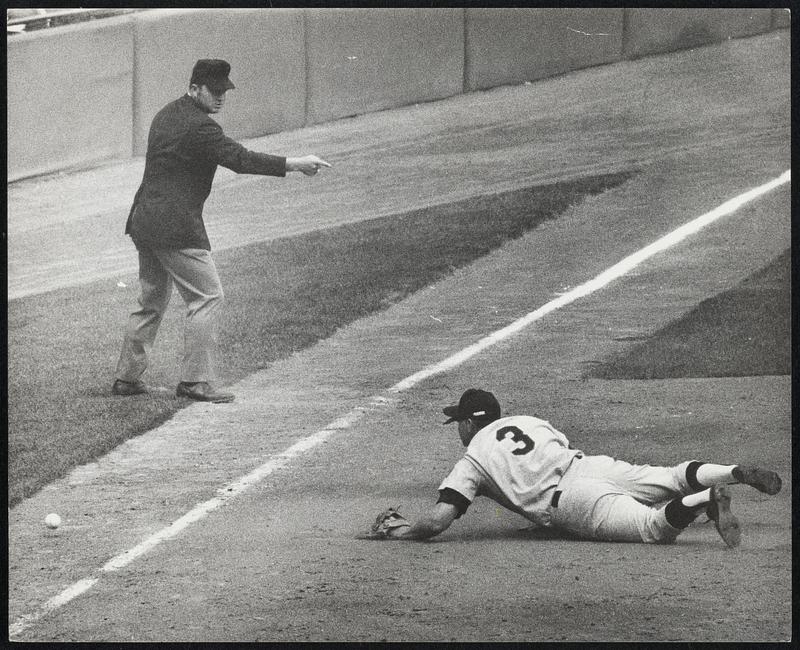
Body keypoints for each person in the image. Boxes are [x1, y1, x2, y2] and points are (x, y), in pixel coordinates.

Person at [112, 59, 331, 403]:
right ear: (195, 88)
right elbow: (239, 159)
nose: (220, 97)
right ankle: (195, 382)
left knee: (151, 301)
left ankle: (127, 378)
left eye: (223, 91)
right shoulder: (201, 128)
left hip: (144, 220)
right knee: (207, 296)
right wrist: (294, 163)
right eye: (214, 91)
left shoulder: (166, 113)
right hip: (175, 228)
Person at [364, 388, 782, 547]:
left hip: (571, 501)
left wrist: (403, 530)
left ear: (471, 423)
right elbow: (553, 450)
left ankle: (705, 498)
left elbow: (439, 521)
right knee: (670, 476)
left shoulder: (471, 459)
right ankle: (728, 472)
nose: (459, 429)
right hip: (591, 466)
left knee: (653, 528)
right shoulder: (529, 420)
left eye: (460, 422)